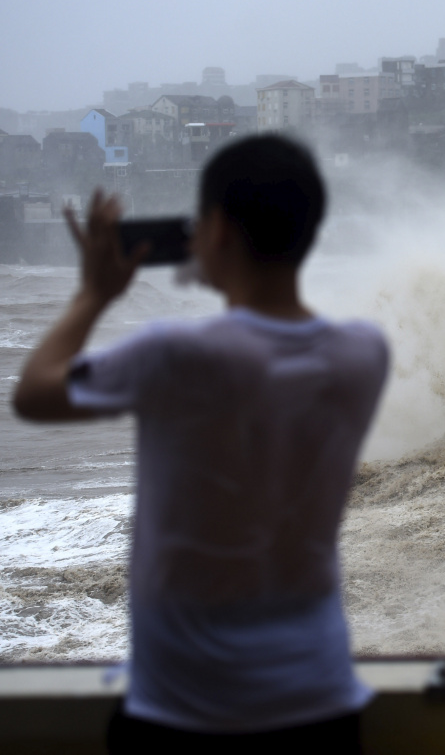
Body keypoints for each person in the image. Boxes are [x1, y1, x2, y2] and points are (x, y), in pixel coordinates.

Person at [12, 135, 388, 752]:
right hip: (321, 705)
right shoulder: (362, 354)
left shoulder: (174, 355)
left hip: (184, 714)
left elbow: (34, 394)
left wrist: (93, 295)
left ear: (214, 230)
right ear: (311, 231)